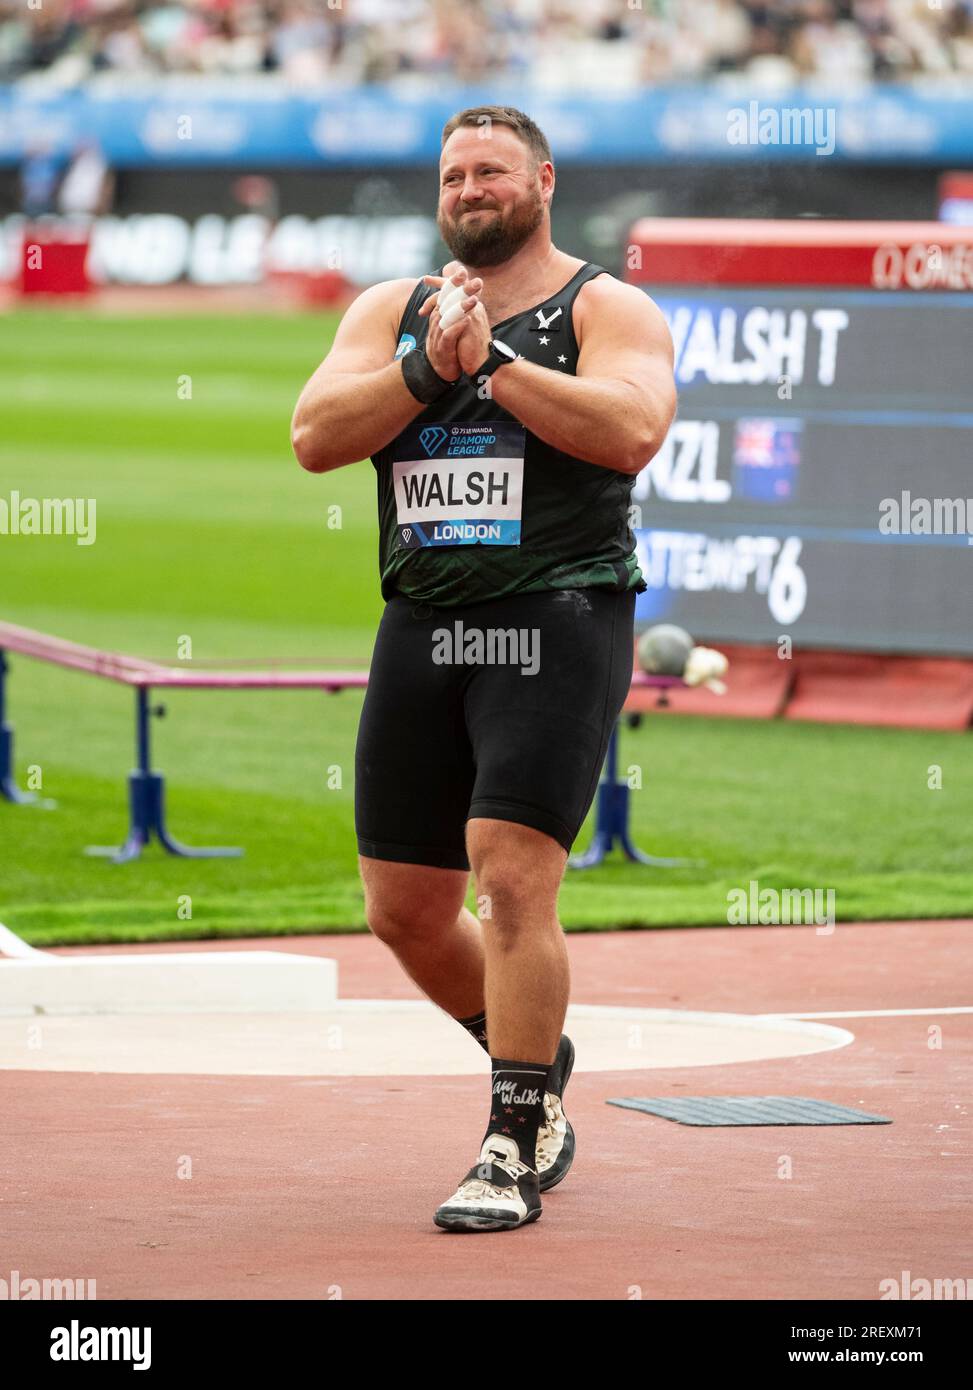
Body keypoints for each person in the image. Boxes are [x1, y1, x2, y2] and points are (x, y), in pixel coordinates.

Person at [291, 104, 676, 1232]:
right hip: (423, 620)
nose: (469, 189)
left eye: (492, 171)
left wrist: (494, 369)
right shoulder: (394, 309)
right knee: (403, 908)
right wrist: (425, 368)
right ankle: (535, 1064)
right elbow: (316, 435)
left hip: (555, 616)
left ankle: (509, 1143)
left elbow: (631, 427)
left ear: (543, 181)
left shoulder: (605, 306)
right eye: (454, 174)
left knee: (509, 878)